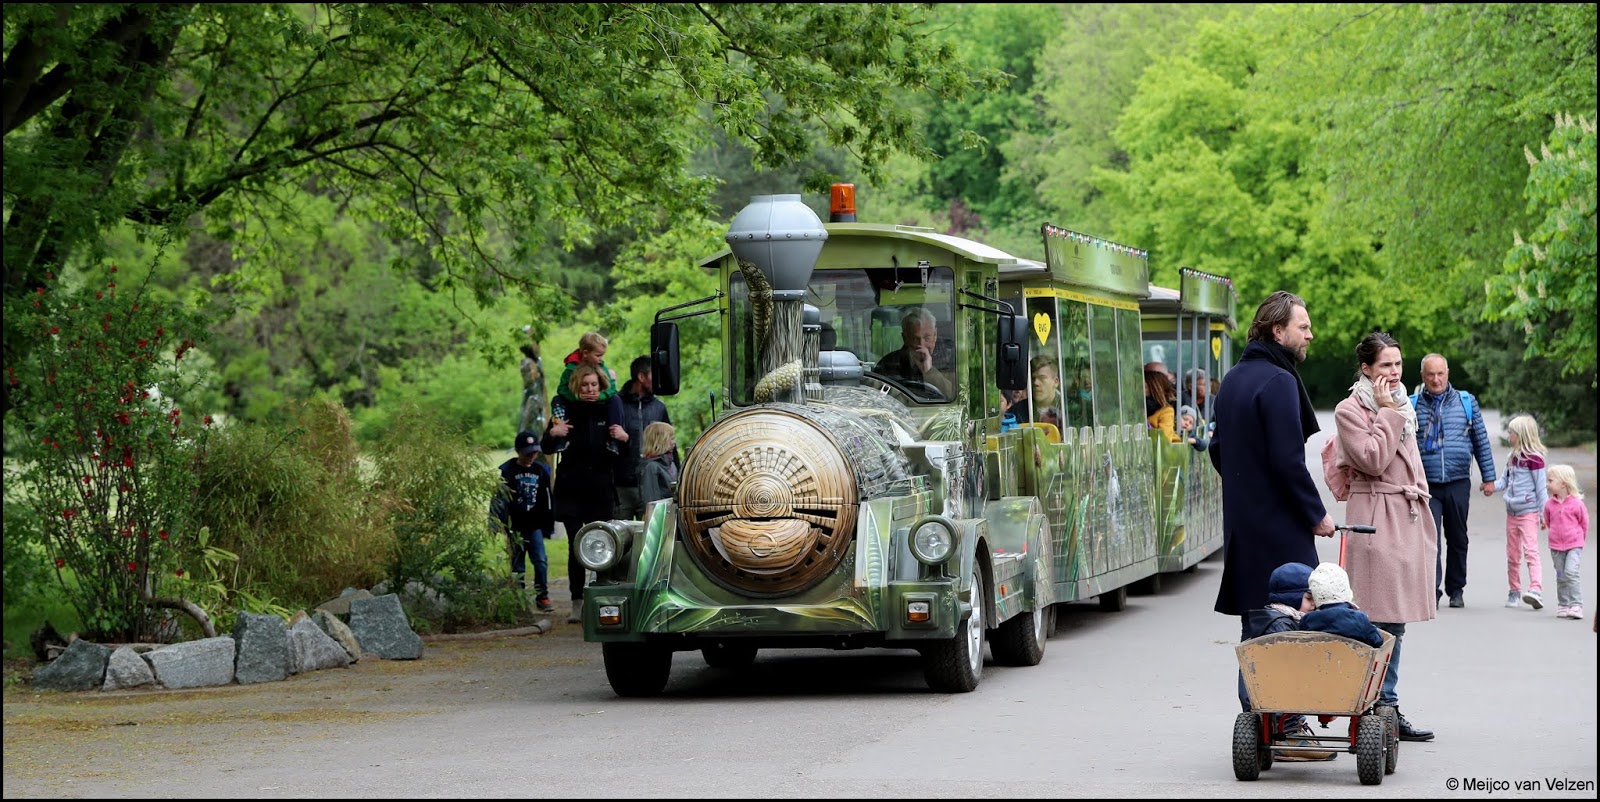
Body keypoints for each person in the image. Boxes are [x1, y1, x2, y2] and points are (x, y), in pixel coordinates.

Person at [1210, 291, 1336, 745]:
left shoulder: (1234, 379)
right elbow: (1288, 461)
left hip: (1245, 529)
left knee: (1256, 630)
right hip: (1281, 531)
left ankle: (1259, 724)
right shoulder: (1279, 382)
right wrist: (1316, 514)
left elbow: (1217, 450)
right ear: (1277, 331)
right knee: (1288, 625)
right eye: (1303, 327)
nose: (1310, 335)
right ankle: (1284, 726)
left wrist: (1248, 488)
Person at [1333, 330, 1437, 741]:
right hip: (1375, 517)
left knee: (1395, 621)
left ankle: (1386, 706)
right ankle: (1376, 709)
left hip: (1404, 517)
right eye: (1385, 366)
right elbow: (1373, 459)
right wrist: (1389, 411)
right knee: (1377, 620)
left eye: (1398, 364)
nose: (1394, 373)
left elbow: (1410, 462)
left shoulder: (1401, 406)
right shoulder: (1350, 409)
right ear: (1366, 369)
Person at [1412, 353, 1496, 609]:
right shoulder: (1412, 404)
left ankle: (1456, 588)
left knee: (1458, 537)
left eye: (1440, 374)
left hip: (1458, 480)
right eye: (1430, 375)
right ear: (1423, 376)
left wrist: (1488, 477)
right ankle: (1432, 590)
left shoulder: (1466, 402)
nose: (1436, 379)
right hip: (1426, 484)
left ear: (1447, 373)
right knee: (1430, 539)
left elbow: (1480, 440)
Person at [543, 363, 624, 623]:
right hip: (571, 487)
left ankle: (604, 597)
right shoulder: (565, 409)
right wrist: (552, 432)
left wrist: (625, 438)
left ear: (600, 386)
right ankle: (576, 601)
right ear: (577, 387)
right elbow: (548, 443)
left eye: (594, 385)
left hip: (600, 487)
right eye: (585, 385)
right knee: (575, 544)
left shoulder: (608, 409)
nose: (589, 390)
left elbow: (626, 450)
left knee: (604, 542)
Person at [1240, 562, 1334, 761]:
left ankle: (1278, 731)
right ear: (1290, 597)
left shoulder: (1268, 619)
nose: (1313, 605)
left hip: (1256, 696)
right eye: (1309, 599)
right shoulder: (1283, 627)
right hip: (1280, 699)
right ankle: (1290, 734)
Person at [490, 431, 555, 613]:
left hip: (534, 526)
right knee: (517, 565)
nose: (531, 456)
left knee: (540, 561)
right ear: (518, 451)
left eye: (534, 452)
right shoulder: (508, 472)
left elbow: (548, 499)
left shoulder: (541, 470)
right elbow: (498, 499)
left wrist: (548, 525)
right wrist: (495, 523)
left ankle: (542, 595)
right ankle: (519, 598)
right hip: (515, 527)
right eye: (527, 453)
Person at [1493, 415, 1549, 610]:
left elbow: (1541, 489)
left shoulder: (1535, 460)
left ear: (1522, 435)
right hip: (1512, 513)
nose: (1509, 436)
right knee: (1513, 554)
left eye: (1511, 433)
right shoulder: (1512, 458)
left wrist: (1545, 514)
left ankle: (1536, 589)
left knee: (1531, 551)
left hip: (1529, 512)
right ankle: (1514, 590)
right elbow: (1504, 481)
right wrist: (1491, 486)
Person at [614, 355, 672, 519]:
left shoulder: (659, 407)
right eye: (654, 374)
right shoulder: (617, 404)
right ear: (641, 377)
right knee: (620, 538)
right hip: (622, 485)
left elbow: (669, 446)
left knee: (649, 537)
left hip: (651, 485)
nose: (659, 380)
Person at [555, 332, 627, 455]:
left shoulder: (600, 366)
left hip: (600, 403)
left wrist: (601, 396)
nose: (601, 359)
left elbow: (611, 387)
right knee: (557, 400)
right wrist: (576, 397)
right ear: (585, 353)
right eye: (598, 355)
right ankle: (561, 435)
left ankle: (614, 438)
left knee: (615, 399)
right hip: (574, 403)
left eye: (594, 384)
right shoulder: (570, 369)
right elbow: (562, 389)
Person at [874, 307, 953, 398]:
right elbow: (877, 397)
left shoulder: (948, 359)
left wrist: (929, 371)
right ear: (905, 338)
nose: (921, 345)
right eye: (915, 339)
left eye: (927, 338)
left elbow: (952, 395)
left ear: (935, 335)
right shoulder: (888, 364)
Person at [1302, 563, 1386, 648]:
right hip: (1353, 660)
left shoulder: (1308, 619)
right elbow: (1377, 641)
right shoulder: (1358, 618)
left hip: (1317, 659)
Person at [1542, 464, 1588, 620]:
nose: (1547, 484)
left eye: (1550, 481)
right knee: (1561, 575)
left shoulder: (1577, 503)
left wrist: (1580, 541)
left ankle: (1576, 605)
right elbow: (1548, 521)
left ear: (1563, 483)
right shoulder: (1549, 504)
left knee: (1571, 573)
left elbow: (1584, 523)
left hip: (1574, 546)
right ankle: (1563, 604)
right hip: (1556, 548)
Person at [639, 421, 678, 507]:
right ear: (661, 440)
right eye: (671, 438)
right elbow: (651, 501)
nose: (674, 442)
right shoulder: (651, 467)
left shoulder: (671, 464)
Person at [517, 342, 546, 434]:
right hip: (533, 395)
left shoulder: (534, 362)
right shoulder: (528, 363)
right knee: (529, 419)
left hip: (536, 395)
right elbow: (531, 379)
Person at [1144, 369, 1180, 443]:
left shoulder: (1166, 410)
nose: (1141, 390)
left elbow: (1165, 439)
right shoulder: (1139, 408)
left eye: (1145, 387)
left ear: (1154, 388)